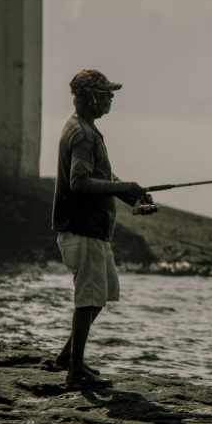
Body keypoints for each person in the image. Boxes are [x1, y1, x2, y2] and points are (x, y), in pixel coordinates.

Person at [50, 68, 149, 390]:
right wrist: (123, 187)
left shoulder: (84, 129)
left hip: (93, 230)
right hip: (82, 229)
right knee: (87, 299)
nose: (111, 99)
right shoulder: (81, 134)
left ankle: (68, 358)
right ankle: (74, 373)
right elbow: (79, 182)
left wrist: (126, 190)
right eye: (107, 94)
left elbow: (97, 174)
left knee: (99, 295)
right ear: (91, 97)